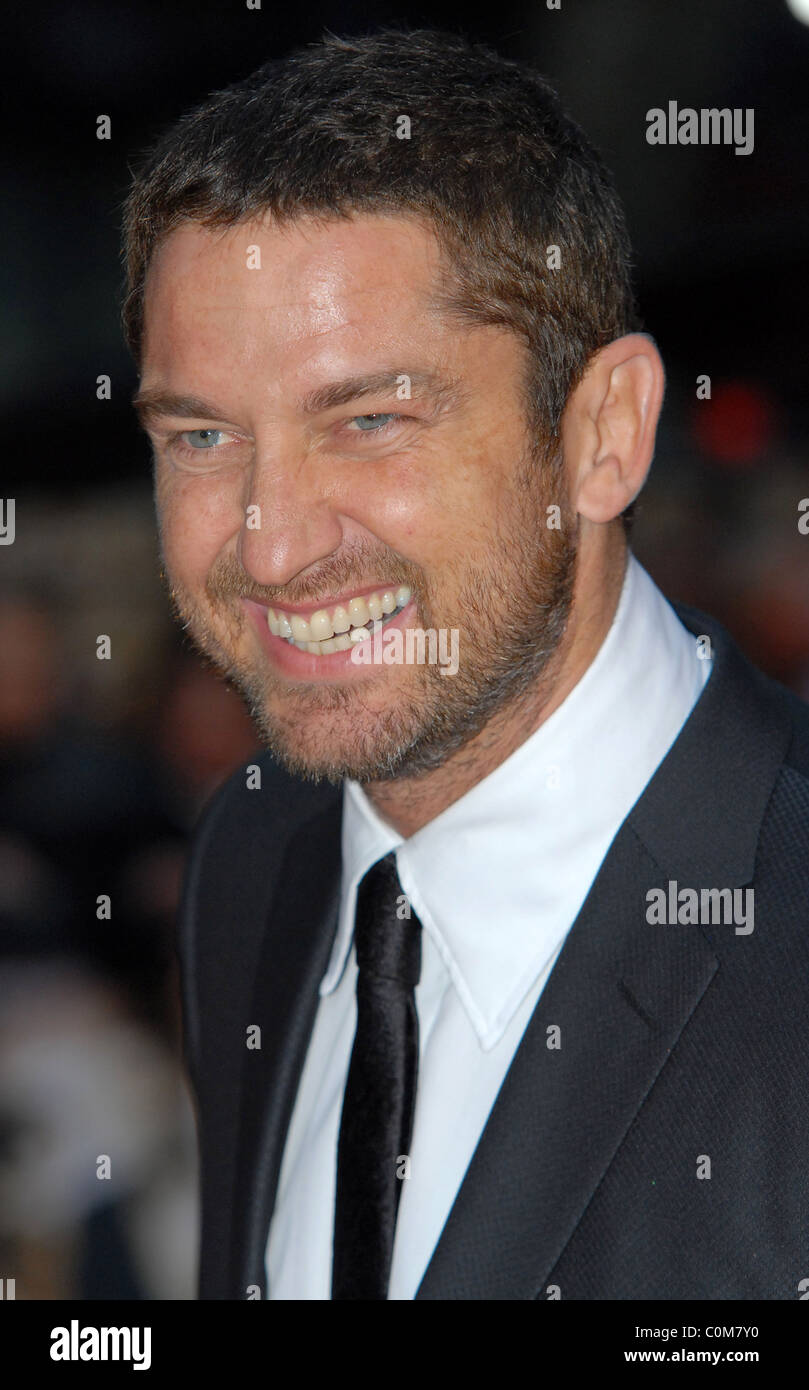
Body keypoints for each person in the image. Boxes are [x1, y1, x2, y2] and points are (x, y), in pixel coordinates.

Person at [122, 28, 809, 1300]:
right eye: (205, 434)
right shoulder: (256, 856)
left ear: (603, 435)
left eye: (370, 420)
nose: (269, 545)